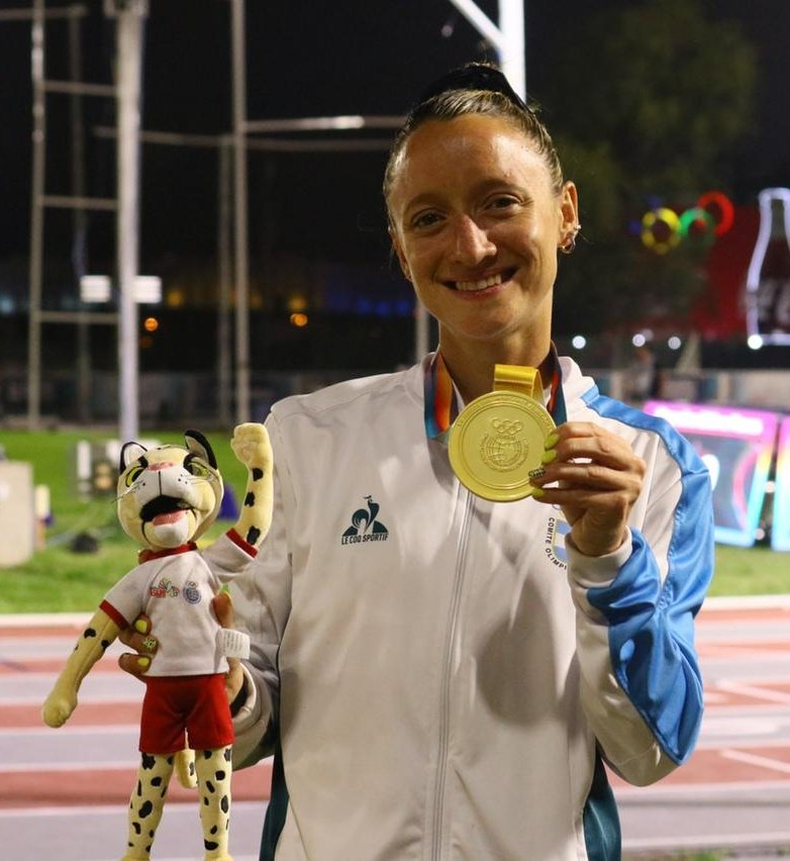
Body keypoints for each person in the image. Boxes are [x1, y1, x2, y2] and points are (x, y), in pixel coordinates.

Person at [121, 64, 714, 860]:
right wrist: (215, 678)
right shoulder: (309, 438)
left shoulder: (651, 467)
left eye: (500, 202)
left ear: (565, 213)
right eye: (428, 218)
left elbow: (651, 749)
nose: (469, 245)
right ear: (402, 250)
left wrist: (608, 558)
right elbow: (254, 717)